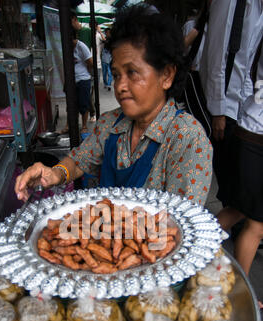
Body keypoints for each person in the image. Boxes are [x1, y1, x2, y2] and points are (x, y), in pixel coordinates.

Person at [15, 4, 212, 205]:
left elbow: (180, 222)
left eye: (132, 73)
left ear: (167, 75)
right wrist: (55, 174)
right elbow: (79, 160)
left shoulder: (188, 139)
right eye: (117, 75)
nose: (120, 86)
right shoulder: (110, 123)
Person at [199, 0, 263, 206]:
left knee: (241, 187)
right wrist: (219, 110)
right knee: (231, 185)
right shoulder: (231, 2)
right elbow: (217, 54)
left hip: (244, 106)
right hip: (224, 107)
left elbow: (250, 61)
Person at [217, 42, 263, 282]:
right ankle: (240, 288)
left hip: (249, 129)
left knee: (239, 210)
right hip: (256, 136)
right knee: (256, 224)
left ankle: (192, 255)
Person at [62, 31, 93, 133]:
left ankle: (84, 126)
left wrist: (85, 73)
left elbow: (90, 62)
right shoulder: (66, 47)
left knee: (84, 104)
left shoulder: (81, 47)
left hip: (83, 80)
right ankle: (69, 125)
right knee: (70, 105)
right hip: (71, 80)